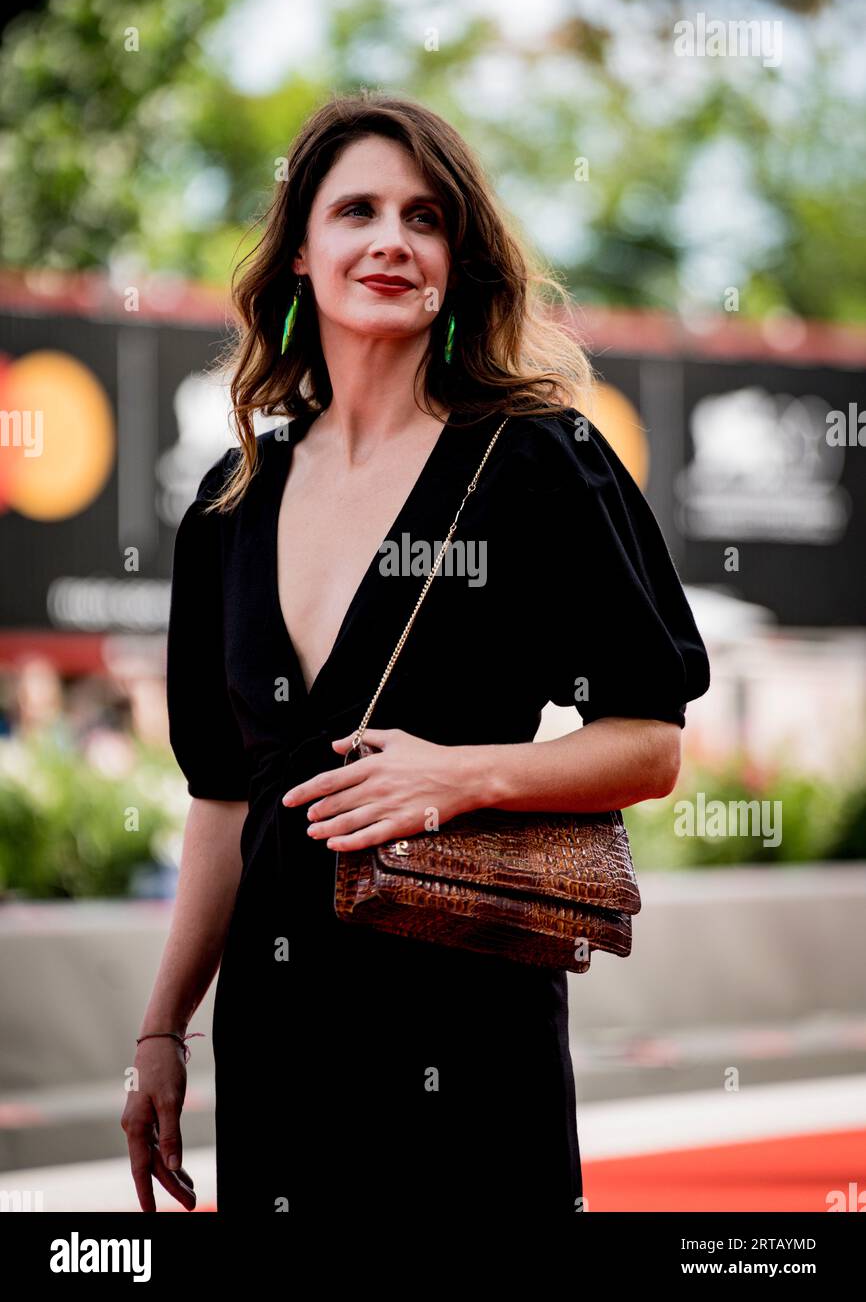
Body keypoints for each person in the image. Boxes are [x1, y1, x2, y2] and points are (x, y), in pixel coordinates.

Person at [122, 92, 711, 1221]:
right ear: (300, 251)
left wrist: (458, 773)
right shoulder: (228, 504)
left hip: (469, 1022)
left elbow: (649, 740)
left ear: (457, 258)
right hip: (278, 1033)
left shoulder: (542, 460)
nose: (390, 239)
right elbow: (219, 801)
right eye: (356, 211)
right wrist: (161, 1031)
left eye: (424, 216)